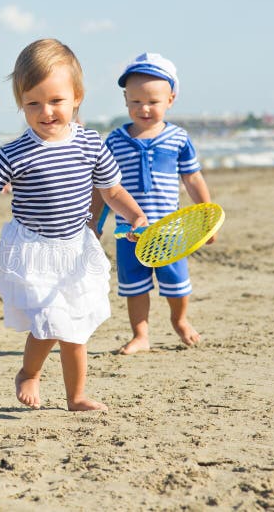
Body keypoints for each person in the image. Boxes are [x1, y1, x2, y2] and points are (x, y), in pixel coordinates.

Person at [0, 39, 147, 411]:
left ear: (77, 97)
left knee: (74, 327)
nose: (45, 112)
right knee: (50, 322)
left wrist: (134, 214)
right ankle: (29, 373)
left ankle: (76, 395)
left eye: (55, 101)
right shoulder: (14, 153)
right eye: (32, 103)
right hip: (34, 249)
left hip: (76, 248)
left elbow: (112, 190)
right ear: (20, 103)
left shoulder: (91, 145)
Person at [92, 52, 216, 355]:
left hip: (171, 229)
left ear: (170, 99)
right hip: (129, 231)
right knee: (134, 285)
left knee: (176, 282)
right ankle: (141, 334)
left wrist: (207, 220)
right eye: (135, 102)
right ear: (125, 100)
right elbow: (104, 189)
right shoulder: (115, 141)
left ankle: (180, 320)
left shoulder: (178, 138)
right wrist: (95, 224)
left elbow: (193, 180)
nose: (144, 108)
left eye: (153, 102)